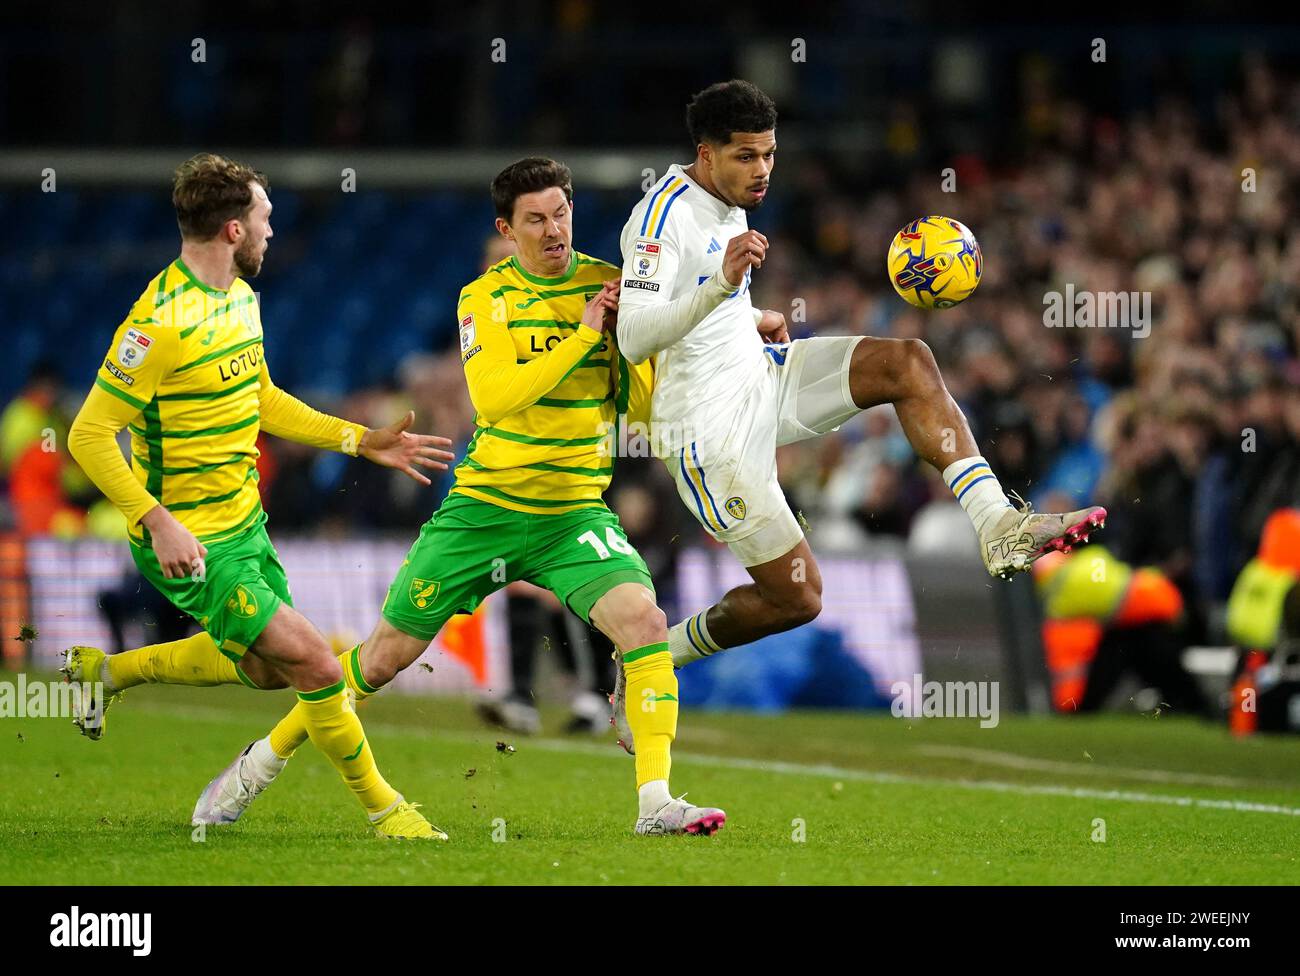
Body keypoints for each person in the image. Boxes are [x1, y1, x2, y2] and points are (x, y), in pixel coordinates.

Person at [195, 157, 725, 837]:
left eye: (561, 212)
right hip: (484, 514)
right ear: (508, 228)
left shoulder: (611, 285)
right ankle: (258, 764)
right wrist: (585, 334)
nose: (553, 228)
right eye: (535, 219)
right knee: (380, 660)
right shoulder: (485, 299)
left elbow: (644, 413)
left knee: (646, 625)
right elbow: (497, 400)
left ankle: (655, 802)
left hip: (573, 516)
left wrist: (650, 348)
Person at [608, 80, 1107, 750]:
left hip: (761, 377)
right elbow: (636, 336)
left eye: (770, 155)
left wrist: (749, 314)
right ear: (706, 154)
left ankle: (998, 526)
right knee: (797, 598)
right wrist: (725, 286)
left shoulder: (728, 202)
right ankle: (648, 658)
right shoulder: (660, 217)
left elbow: (703, 306)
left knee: (906, 362)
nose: (762, 171)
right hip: (704, 429)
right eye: (746, 157)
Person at [63, 152, 457, 840]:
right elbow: (88, 436)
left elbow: (262, 398)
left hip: (244, 525)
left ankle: (108, 673)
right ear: (233, 232)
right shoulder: (157, 323)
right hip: (191, 540)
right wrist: (157, 522)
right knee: (314, 661)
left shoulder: (240, 300)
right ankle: (387, 811)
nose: (273, 230)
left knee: (266, 670)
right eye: (265, 218)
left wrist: (359, 440)